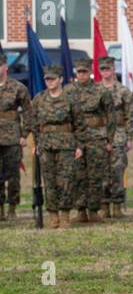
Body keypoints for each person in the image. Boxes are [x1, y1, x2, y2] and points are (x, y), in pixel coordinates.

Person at [68, 56, 117, 223]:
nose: (82, 75)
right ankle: (80, 210)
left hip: (96, 136)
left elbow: (111, 116)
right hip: (75, 138)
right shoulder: (68, 91)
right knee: (78, 174)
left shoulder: (101, 91)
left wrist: (109, 139)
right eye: (79, 71)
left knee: (95, 175)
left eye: (85, 71)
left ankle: (94, 210)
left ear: (90, 72)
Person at [30, 65, 80, 229]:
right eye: (47, 79)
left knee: (66, 180)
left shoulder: (70, 98)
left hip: (66, 143)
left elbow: (79, 124)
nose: (49, 82)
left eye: (52, 79)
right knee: (49, 180)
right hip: (46, 144)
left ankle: (65, 215)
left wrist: (79, 145)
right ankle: (53, 215)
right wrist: (37, 143)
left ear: (60, 79)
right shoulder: (39, 99)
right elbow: (34, 123)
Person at [100, 57, 133, 219]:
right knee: (102, 172)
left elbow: (129, 115)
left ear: (114, 70)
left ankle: (117, 206)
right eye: (103, 69)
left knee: (117, 171)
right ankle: (104, 205)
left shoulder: (123, 91)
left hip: (119, 135)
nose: (105, 72)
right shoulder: (95, 91)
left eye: (108, 69)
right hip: (99, 135)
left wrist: (129, 137)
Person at [0, 49, 32, 223]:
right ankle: (0, 210)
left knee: (12, 174)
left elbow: (28, 111)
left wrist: (25, 133)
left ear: (5, 67)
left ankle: (12, 207)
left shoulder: (18, 88)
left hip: (12, 137)